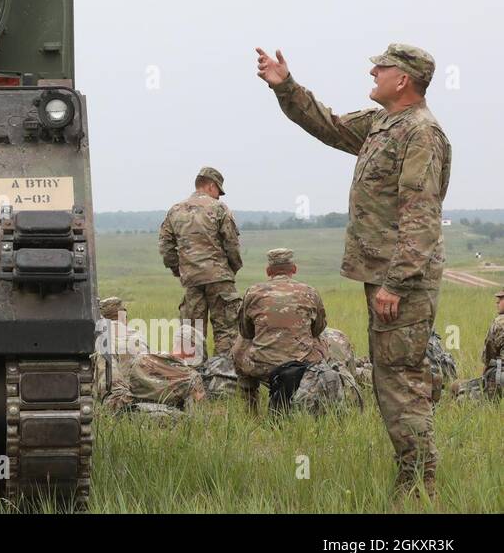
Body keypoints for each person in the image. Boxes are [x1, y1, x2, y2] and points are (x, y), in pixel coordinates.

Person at [256, 43, 451, 499]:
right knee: (391, 378)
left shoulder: (421, 133)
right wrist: (286, 87)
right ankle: (413, 480)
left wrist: (397, 283)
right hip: (385, 278)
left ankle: (419, 487)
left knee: (401, 381)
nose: (373, 70)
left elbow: (420, 215)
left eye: (381, 67)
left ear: (402, 79)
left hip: (401, 283)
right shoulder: (384, 124)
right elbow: (329, 126)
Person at [158, 167, 242, 355]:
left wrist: (180, 270)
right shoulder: (220, 208)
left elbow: (165, 247)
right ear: (211, 186)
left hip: (192, 281)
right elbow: (232, 244)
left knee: (191, 335)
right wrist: (230, 270)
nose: (218, 196)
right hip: (220, 278)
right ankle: (224, 380)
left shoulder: (175, 210)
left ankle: (194, 379)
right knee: (226, 332)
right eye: (218, 192)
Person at [232, 249, 328, 413]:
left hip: (262, 366)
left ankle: (251, 409)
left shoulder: (253, 291)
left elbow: (246, 332)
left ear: (268, 271)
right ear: (294, 269)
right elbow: (318, 328)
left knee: (240, 344)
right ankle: (315, 401)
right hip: (302, 365)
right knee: (321, 338)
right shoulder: (310, 292)